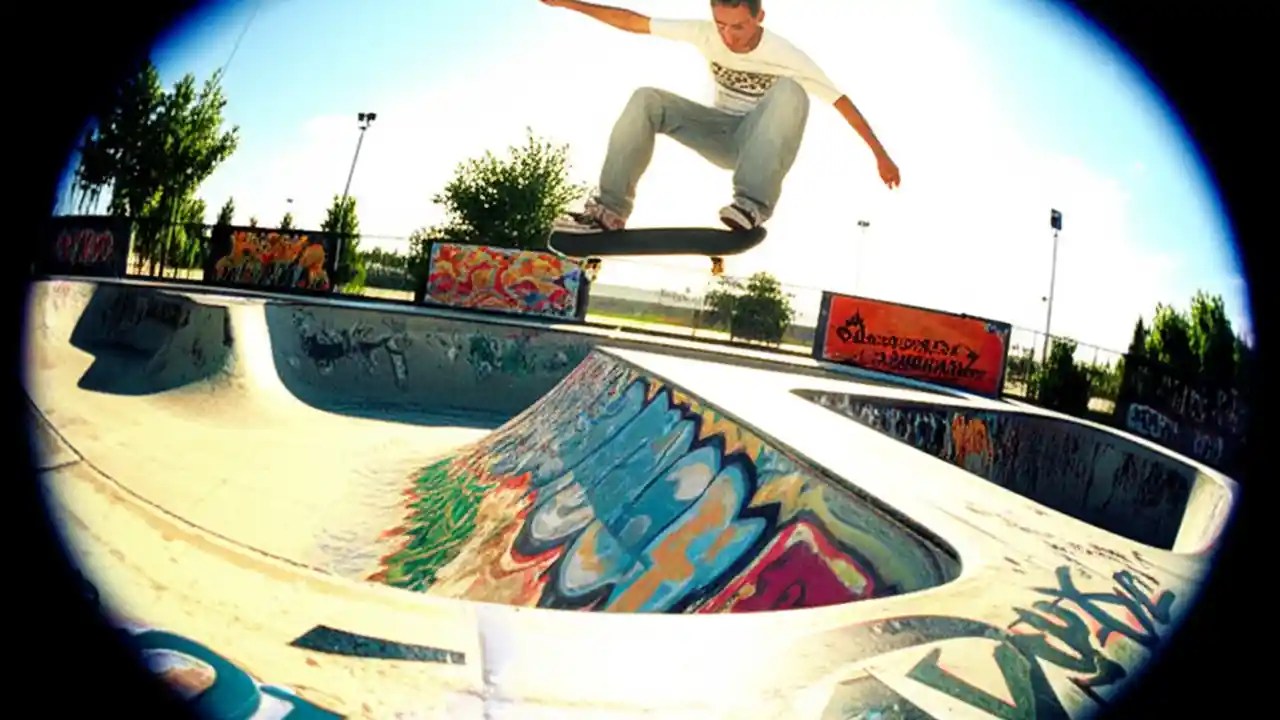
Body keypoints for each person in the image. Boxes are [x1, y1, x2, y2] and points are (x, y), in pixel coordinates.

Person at [542, 0, 900, 235]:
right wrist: (568, 3)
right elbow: (635, 22)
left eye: (738, 27)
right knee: (646, 99)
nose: (727, 36)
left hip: (757, 143)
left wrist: (880, 155)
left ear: (759, 17)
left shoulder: (786, 54)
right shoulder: (704, 33)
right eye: (721, 25)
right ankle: (608, 211)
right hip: (716, 133)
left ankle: (752, 206)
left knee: (792, 91)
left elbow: (841, 102)